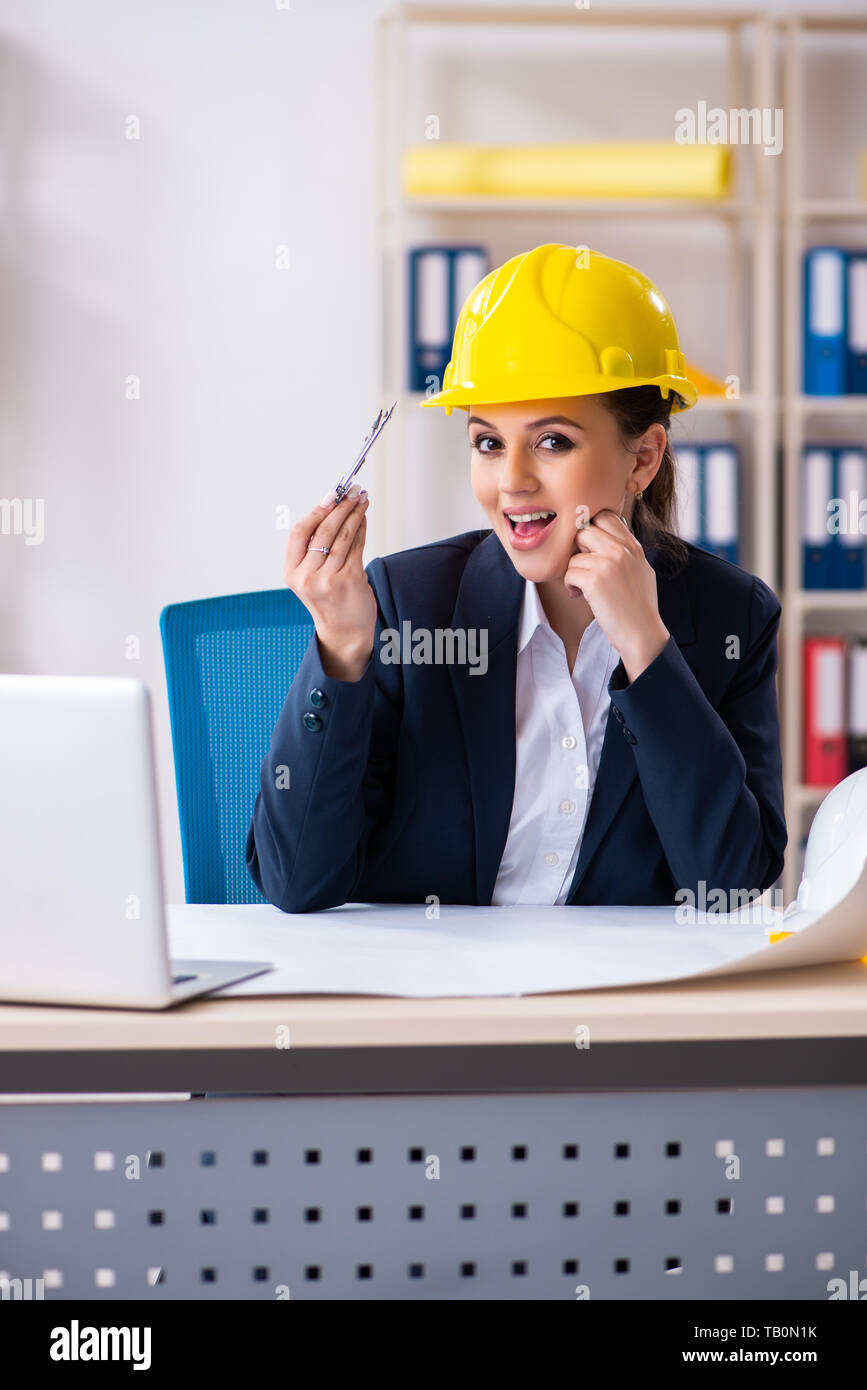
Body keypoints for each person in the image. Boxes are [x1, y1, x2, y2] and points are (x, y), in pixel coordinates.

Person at [246, 243, 786, 912]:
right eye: (488, 443)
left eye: (552, 441)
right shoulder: (407, 605)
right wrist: (342, 648)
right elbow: (296, 881)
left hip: (618, 982)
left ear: (643, 457)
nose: (512, 481)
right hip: (433, 977)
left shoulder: (734, 617)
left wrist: (647, 649)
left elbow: (730, 887)